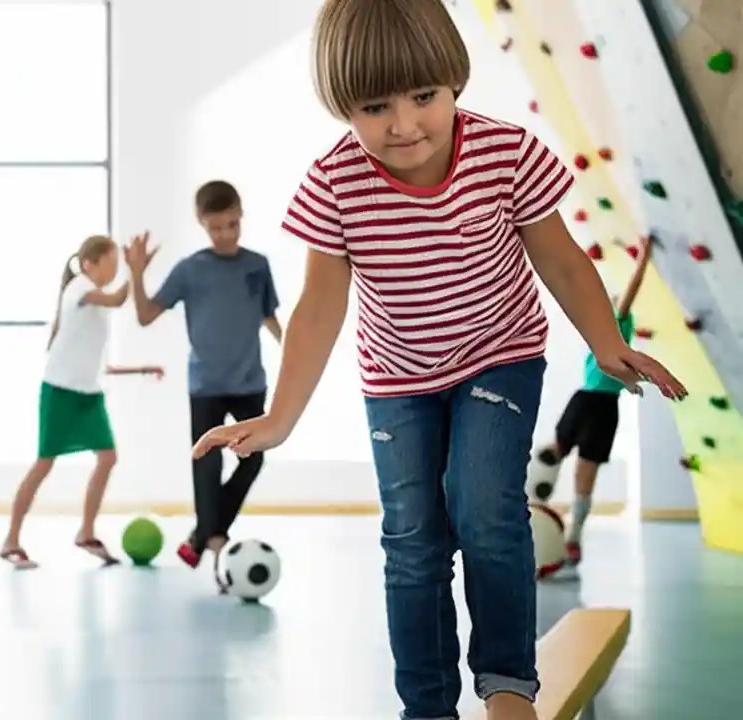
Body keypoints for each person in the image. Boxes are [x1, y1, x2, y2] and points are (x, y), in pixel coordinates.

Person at [190, 1, 687, 718]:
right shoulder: (336, 184)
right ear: (341, 106)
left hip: (500, 353)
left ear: (454, 80)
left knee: (485, 509)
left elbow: (562, 260)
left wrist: (605, 344)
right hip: (398, 378)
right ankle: (426, 705)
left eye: (424, 96)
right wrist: (282, 417)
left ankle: (507, 683)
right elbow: (320, 304)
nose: (403, 124)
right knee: (414, 539)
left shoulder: (504, 152)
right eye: (374, 106)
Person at [124, 180, 282, 586]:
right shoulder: (190, 270)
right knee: (206, 466)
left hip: (250, 382)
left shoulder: (257, 265)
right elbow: (144, 315)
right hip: (206, 385)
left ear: (241, 215)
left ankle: (202, 534)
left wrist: (293, 349)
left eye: (232, 224)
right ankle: (214, 539)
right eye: (217, 228)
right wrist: (137, 274)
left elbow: (269, 317)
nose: (226, 234)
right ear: (201, 223)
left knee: (254, 458)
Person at [0, 235, 164, 569]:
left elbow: (95, 363)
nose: (113, 272)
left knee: (107, 457)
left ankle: (86, 532)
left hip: (88, 396)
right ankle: (11, 540)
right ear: (89, 264)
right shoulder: (78, 287)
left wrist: (142, 368)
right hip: (59, 393)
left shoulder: (94, 305)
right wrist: (136, 272)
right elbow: (119, 299)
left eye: (118, 266)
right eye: (111, 265)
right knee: (44, 464)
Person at [535, 234, 652, 568]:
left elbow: (627, 294)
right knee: (552, 452)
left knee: (585, 476)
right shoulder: (594, 328)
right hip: (584, 399)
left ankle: (574, 536)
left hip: (603, 407)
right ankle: (528, 503)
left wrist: (642, 258)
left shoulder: (618, 324)